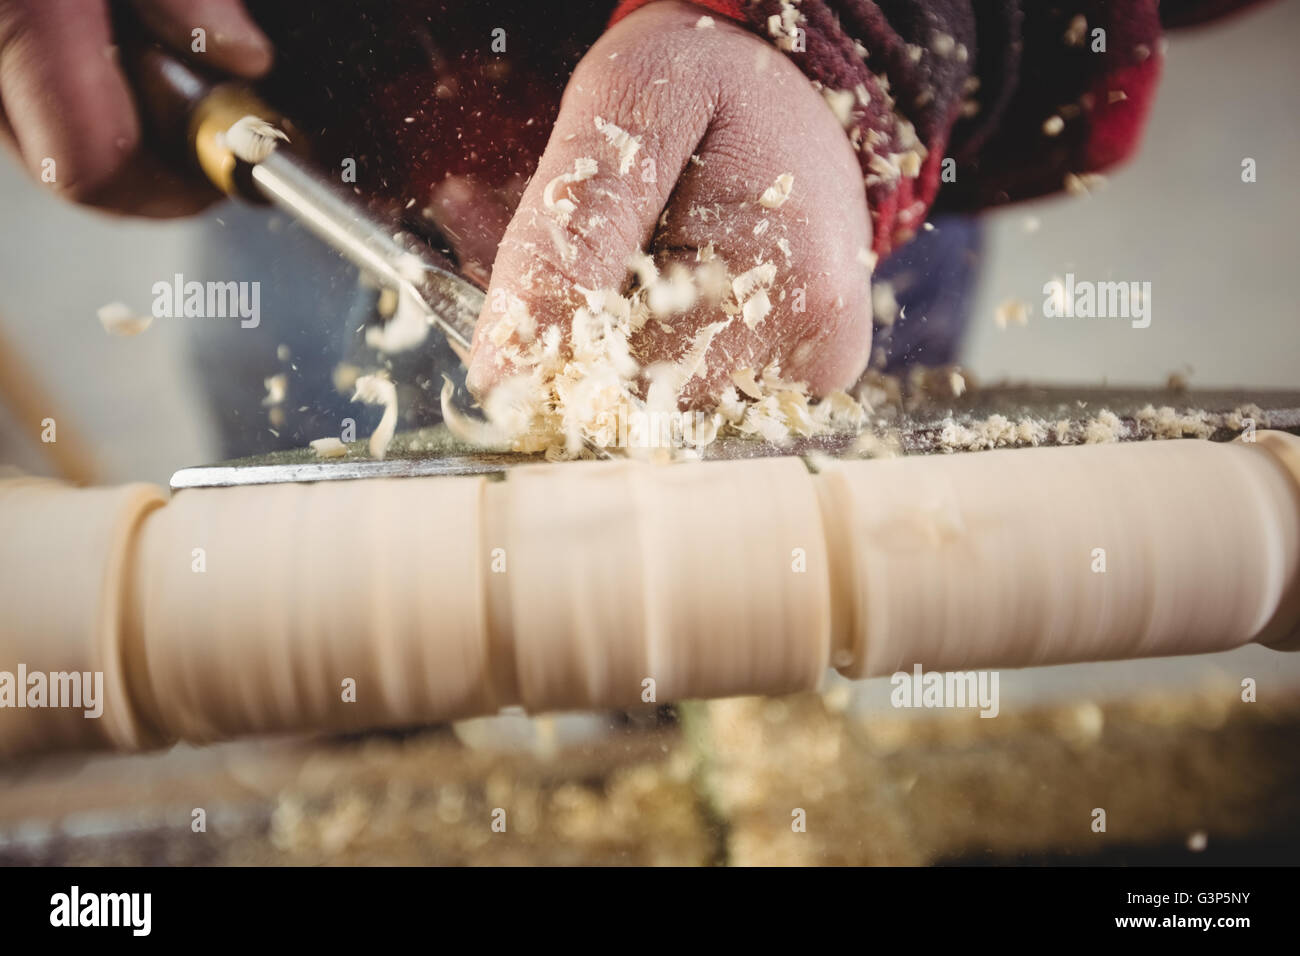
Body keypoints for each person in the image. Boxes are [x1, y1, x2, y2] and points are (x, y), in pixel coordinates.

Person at [0, 0, 1268, 455]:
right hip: (320, 151)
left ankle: (688, 756)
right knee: (318, 587)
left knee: (746, 589)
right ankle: (367, 773)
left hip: (782, 202)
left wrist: (833, 42)